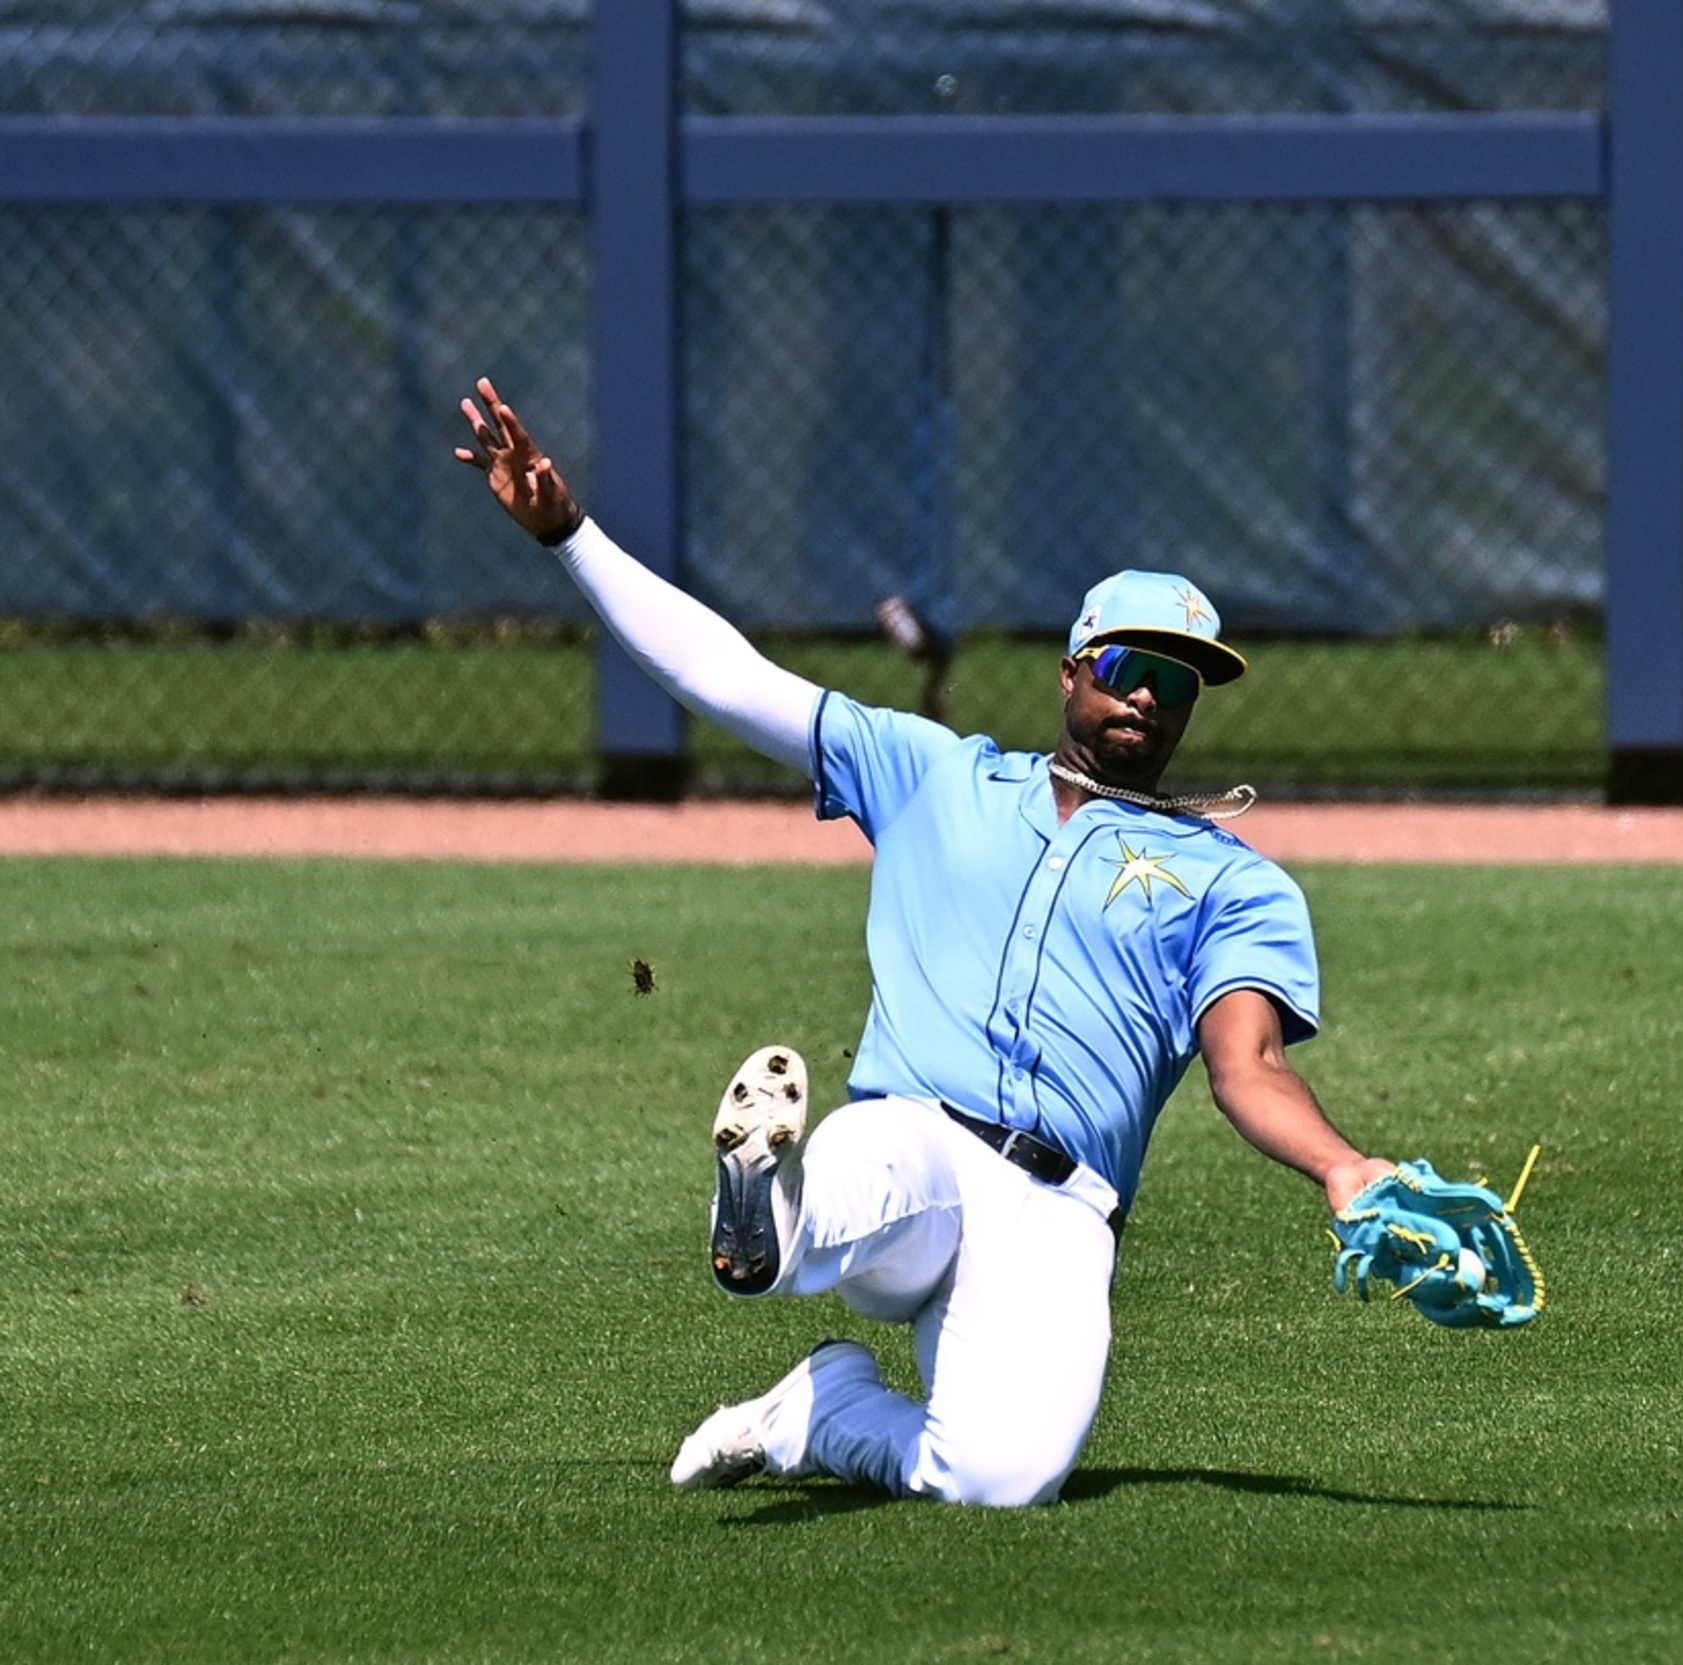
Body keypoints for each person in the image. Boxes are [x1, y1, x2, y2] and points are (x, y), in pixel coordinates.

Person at [454, 377, 1394, 1507]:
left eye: (1175, 683)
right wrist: (570, 534)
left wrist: (1342, 1166)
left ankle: (820, 1411)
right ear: (1070, 670)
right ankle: (772, 1203)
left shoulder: (1234, 882)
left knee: (1002, 1478)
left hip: (1060, 1208)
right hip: (918, 1147)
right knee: (857, 1175)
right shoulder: (934, 774)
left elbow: (1253, 1067)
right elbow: (726, 676)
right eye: (1124, 669)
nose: (1147, 698)